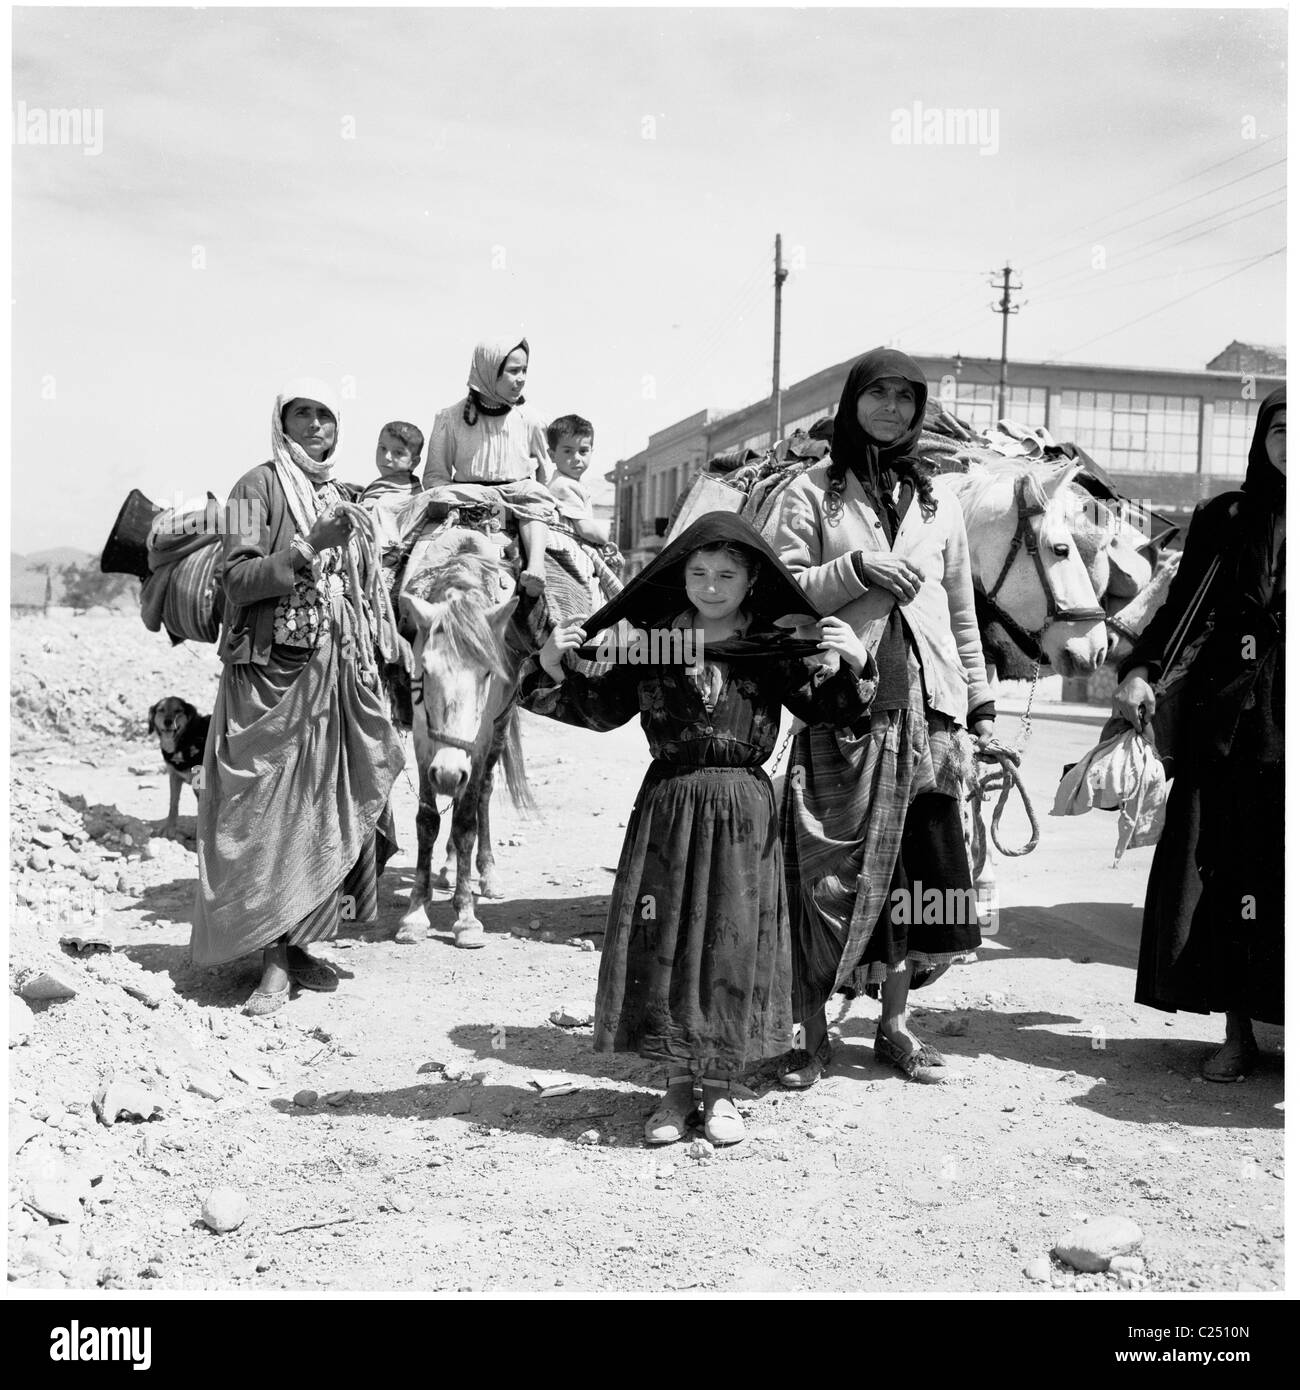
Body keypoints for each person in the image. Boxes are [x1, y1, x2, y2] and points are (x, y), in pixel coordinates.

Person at [519, 513, 876, 1146]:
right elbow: (599, 710)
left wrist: (854, 662)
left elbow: (832, 711)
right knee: (672, 944)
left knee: (731, 945)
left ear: (752, 580)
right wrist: (550, 664)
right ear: (680, 576)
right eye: (699, 572)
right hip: (671, 810)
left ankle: (724, 1091)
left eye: (727, 575)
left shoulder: (773, 647)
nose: (711, 586)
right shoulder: (652, 644)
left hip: (744, 812)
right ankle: (676, 1091)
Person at [774, 347, 996, 1088]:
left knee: (912, 880)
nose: (894, 408)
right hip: (844, 705)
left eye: (907, 396)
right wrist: (857, 571)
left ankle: (895, 1028)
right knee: (825, 871)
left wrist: (981, 708)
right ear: (853, 401)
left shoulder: (939, 501)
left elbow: (961, 613)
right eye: (880, 394)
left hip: (929, 716)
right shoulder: (813, 491)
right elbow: (778, 594)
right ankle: (810, 1037)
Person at [190, 378, 405, 1015]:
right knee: (264, 817)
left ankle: (304, 940)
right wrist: (313, 545)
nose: (316, 425)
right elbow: (236, 580)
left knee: (320, 808)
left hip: (334, 671)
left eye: (326, 415)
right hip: (268, 677)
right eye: (303, 413)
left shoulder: (340, 492)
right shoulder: (253, 486)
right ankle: (271, 962)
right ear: (281, 421)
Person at [1112, 387, 1284, 1081]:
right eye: (1280, 428)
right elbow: (1183, 608)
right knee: (1228, 874)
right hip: (1236, 726)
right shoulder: (1227, 516)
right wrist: (1140, 670)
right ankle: (1240, 1033)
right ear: (1261, 438)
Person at [422, 337, 557, 595]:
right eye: (513, 371)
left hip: (517, 501)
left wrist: (523, 497)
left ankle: (536, 567)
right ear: (488, 371)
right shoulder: (449, 418)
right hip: (465, 500)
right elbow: (434, 476)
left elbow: (544, 477)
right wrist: (473, 497)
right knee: (417, 562)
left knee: (535, 495)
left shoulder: (532, 420)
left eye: (525, 370)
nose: (521, 378)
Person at [358, 420, 425, 550]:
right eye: (382, 448)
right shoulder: (380, 486)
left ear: (414, 462)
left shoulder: (408, 493)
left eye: (398, 453)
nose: (387, 457)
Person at [546, 413, 610, 547]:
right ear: (552, 455)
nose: (576, 458)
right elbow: (585, 529)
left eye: (583, 451)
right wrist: (607, 541)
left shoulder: (569, 483)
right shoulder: (563, 486)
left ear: (591, 452)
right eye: (568, 451)